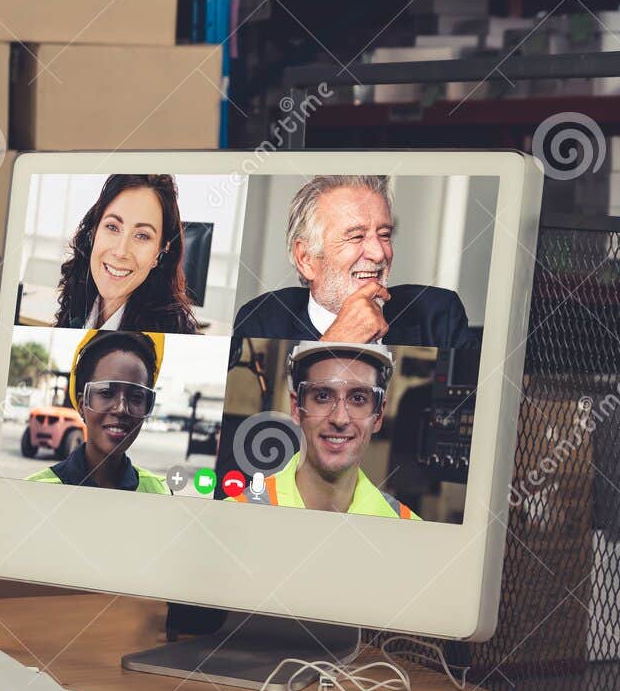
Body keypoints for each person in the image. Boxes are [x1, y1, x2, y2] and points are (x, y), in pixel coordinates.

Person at [233, 174, 475, 348]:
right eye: (356, 236)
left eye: (384, 235)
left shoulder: (439, 313)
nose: (379, 254)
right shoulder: (261, 321)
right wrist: (334, 343)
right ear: (306, 259)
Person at [229, 341, 420, 519]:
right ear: (296, 408)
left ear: (378, 415)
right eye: (322, 396)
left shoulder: (408, 529)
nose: (340, 419)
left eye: (358, 399)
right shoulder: (236, 516)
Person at [28, 329, 170, 492]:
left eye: (136, 397)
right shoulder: (36, 489)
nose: (121, 409)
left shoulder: (160, 491)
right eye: (106, 393)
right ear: (82, 405)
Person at [54, 174, 199, 333]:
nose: (120, 252)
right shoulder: (77, 300)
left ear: (160, 252)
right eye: (112, 227)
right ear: (93, 231)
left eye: (142, 236)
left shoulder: (175, 336)